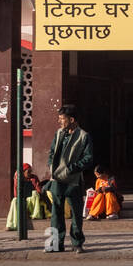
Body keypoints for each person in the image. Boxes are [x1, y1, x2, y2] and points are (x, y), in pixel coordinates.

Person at [47, 104, 94, 252]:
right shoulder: (59, 133)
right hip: (57, 179)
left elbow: (88, 158)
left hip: (73, 180)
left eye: (62, 118)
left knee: (76, 213)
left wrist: (70, 169)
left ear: (72, 119)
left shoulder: (83, 136)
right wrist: (51, 166)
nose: (59, 121)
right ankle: (56, 244)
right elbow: (52, 152)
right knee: (56, 213)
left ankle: (77, 243)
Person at [5, 163, 50, 230]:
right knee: (14, 201)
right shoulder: (18, 178)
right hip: (22, 199)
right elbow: (16, 193)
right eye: (28, 172)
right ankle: (11, 225)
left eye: (30, 171)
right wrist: (17, 179)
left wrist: (33, 182)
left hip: (31, 200)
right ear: (23, 172)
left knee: (35, 193)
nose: (30, 173)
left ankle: (35, 215)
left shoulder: (34, 177)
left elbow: (39, 191)